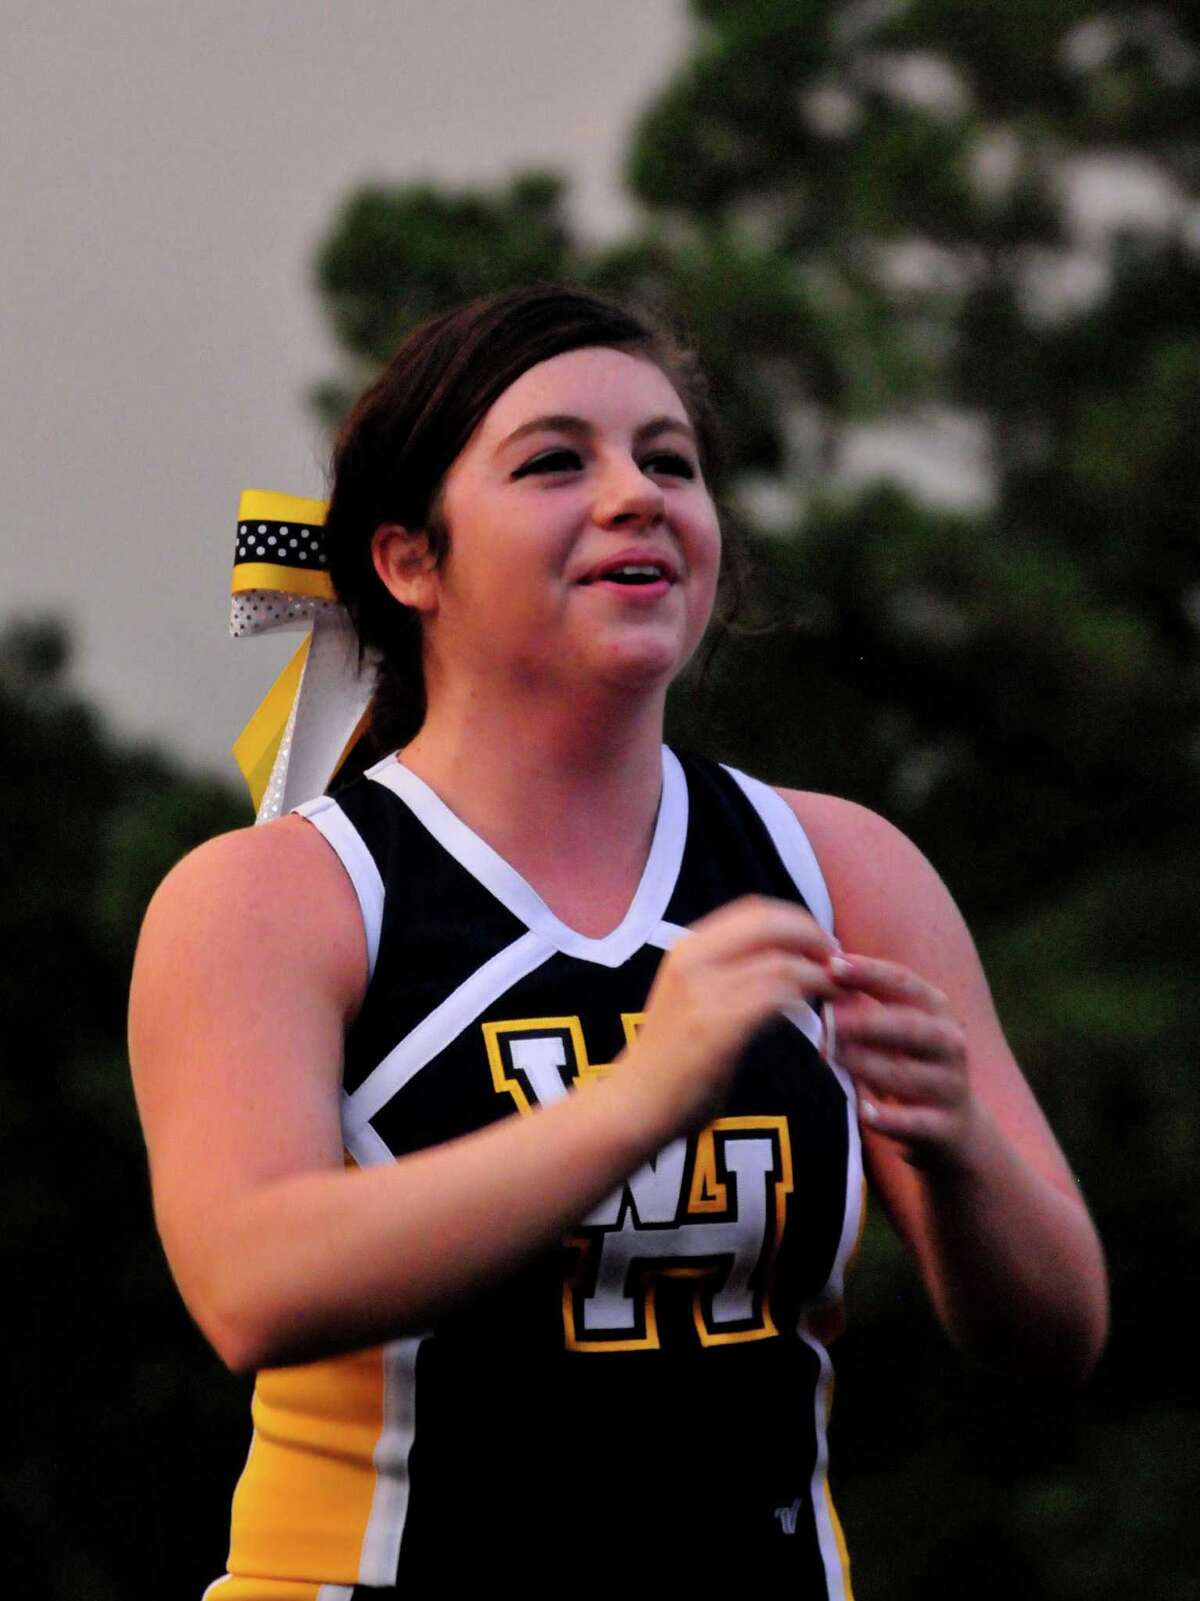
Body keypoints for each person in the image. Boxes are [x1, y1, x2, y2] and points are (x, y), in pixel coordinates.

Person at [128, 286, 1107, 1599]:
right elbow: (248, 1283)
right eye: (554, 462)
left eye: (671, 461)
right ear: (410, 559)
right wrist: (639, 1094)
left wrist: (961, 1149)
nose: (637, 495)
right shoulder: (276, 893)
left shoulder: (842, 865)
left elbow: (1060, 1331)